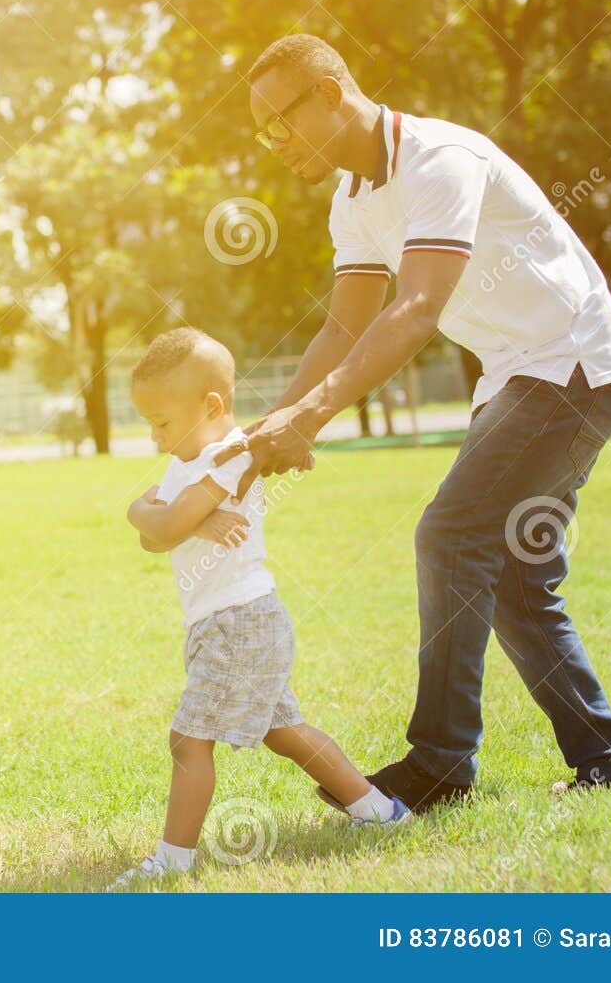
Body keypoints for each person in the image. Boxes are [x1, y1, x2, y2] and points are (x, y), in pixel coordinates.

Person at [223, 34, 611, 813]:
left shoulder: (439, 161)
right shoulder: (351, 196)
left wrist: (312, 417)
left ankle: (442, 762)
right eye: (263, 132)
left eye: (280, 122)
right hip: (517, 369)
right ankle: (610, 762)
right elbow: (344, 327)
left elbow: (416, 309)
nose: (274, 145)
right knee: (517, 577)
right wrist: (277, 421)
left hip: (573, 363)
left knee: (452, 535)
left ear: (328, 92)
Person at [112, 327, 408, 889]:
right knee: (285, 732)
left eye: (161, 422)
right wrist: (150, 512)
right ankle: (380, 814)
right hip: (226, 623)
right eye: (148, 423)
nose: (153, 436)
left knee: (189, 739)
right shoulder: (187, 463)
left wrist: (156, 512)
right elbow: (154, 536)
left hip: (239, 623)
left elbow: (163, 523)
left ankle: (171, 862)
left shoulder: (228, 457)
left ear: (212, 406)